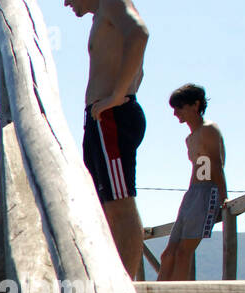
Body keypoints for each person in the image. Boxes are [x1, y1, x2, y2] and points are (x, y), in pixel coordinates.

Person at [67, 0, 149, 276]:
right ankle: (111, 279)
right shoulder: (101, 16)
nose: (65, 3)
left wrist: (118, 94)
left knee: (119, 203)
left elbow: (139, 34)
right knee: (103, 206)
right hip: (101, 117)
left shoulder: (112, 2)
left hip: (112, 115)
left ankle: (126, 288)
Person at [159, 84, 226, 282]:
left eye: (179, 107)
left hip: (207, 191)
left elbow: (215, 164)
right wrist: (190, 196)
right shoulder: (190, 138)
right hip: (193, 192)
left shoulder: (208, 130)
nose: (175, 113)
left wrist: (224, 197)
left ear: (195, 105)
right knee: (168, 253)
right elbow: (201, 167)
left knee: (183, 252)